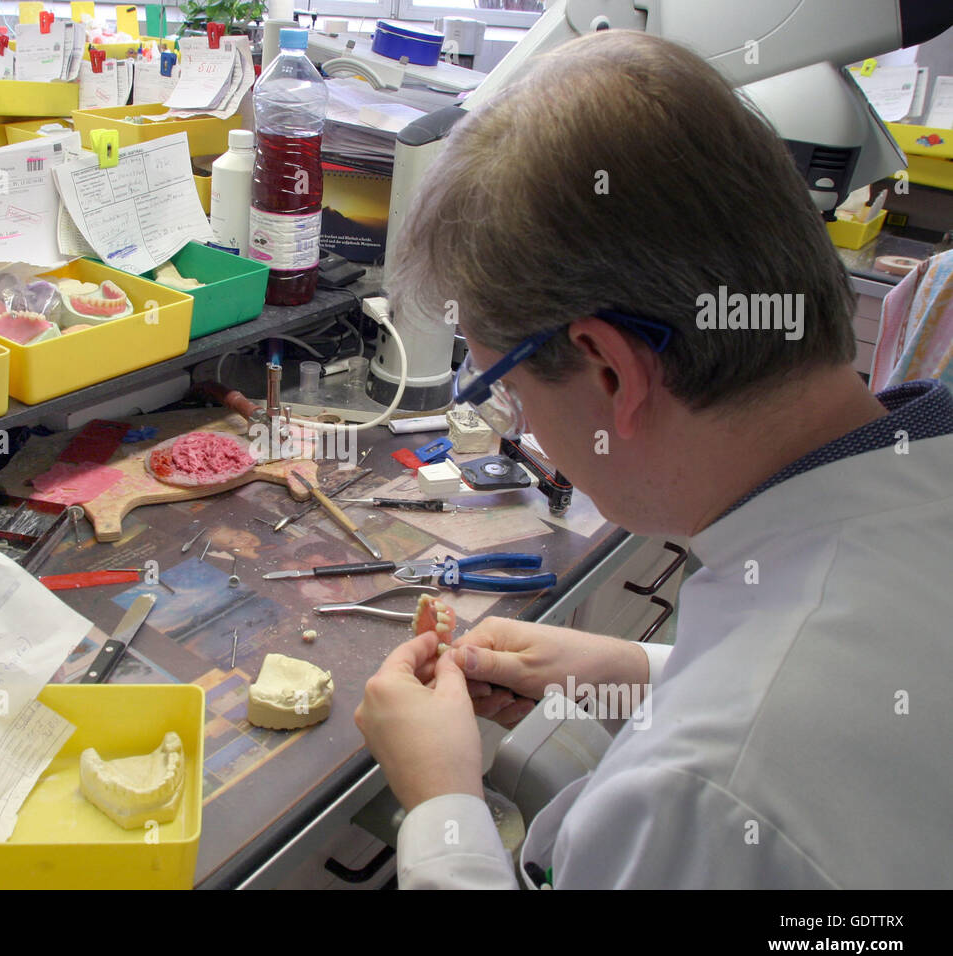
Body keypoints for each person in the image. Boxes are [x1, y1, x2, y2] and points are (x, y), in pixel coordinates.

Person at [356, 30, 953, 888]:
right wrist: (634, 672)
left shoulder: (707, 791)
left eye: (508, 391)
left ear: (611, 370)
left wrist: (444, 804)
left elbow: (760, 745)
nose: (522, 428)